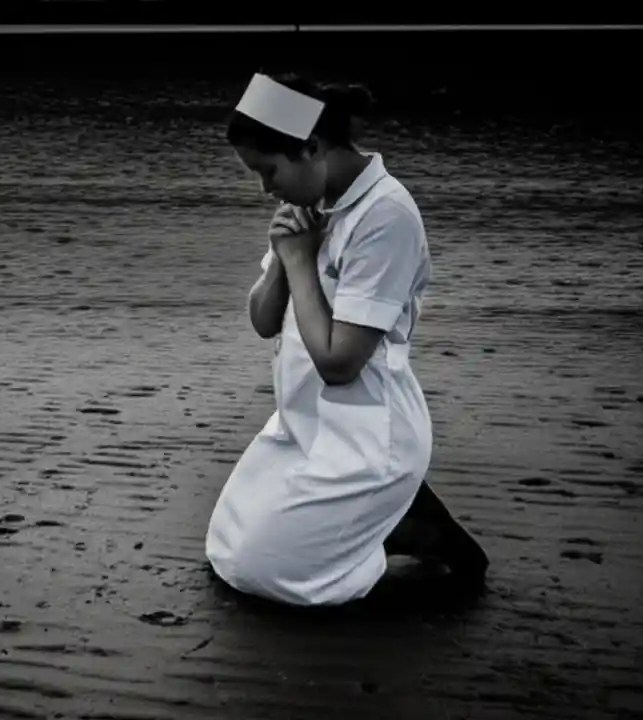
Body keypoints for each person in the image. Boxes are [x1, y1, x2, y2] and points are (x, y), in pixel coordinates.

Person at [204, 72, 489, 607]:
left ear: (312, 147)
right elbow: (264, 320)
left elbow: (340, 363)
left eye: (268, 171)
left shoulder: (387, 215)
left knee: (268, 573)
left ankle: (414, 528)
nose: (265, 189)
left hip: (367, 433)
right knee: (228, 548)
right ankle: (390, 516)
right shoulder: (312, 202)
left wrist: (298, 261)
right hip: (304, 423)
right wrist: (279, 259)